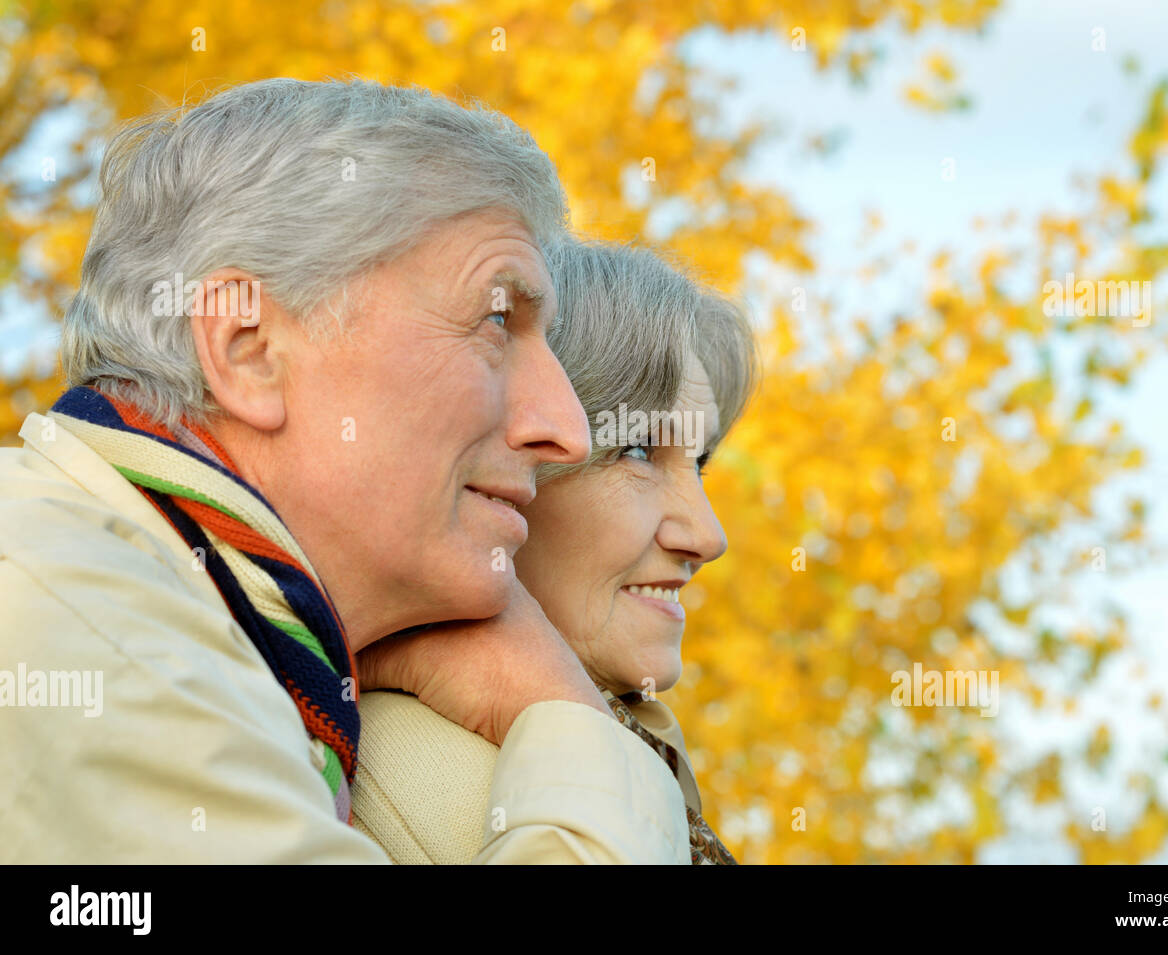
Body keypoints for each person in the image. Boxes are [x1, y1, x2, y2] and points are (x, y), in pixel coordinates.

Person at [0, 79, 690, 863]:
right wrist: (569, 721)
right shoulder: (79, 619)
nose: (565, 430)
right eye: (497, 320)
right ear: (249, 349)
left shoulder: (158, 600)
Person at [352, 236, 758, 864]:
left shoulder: (630, 742)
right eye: (638, 451)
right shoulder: (419, 783)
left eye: (698, 463)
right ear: (501, 467)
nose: (707, 537)